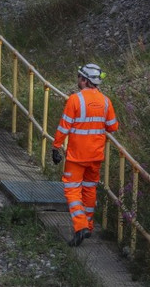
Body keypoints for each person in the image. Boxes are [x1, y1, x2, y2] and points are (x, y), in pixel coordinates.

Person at [52, 63, 119, 247]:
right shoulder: (106, 101)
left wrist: (56, 147)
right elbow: (113, 126)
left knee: (72, 190)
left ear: (84, 80)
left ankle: (80, 226)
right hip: (95, 156)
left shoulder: (75, 99)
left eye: (79, 76)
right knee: (89, 190)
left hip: (76, 157)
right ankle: (88, 226)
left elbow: (64, 126)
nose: (77, 79)